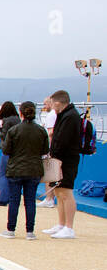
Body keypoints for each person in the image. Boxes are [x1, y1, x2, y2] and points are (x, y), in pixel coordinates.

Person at [0, 100, 47, 240]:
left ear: (20, 113)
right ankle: (30, 231)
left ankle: (11, 229)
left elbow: (7, 150)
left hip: (16, 169)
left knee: (14, 200)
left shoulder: (14, 130)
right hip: (34, 169)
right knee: (30, 200)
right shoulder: (41, 130)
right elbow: (45, 150)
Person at [47, 90, 83, 238]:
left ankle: (69, 227)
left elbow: (63, 140)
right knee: (58, 191)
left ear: (57, 102)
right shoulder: (64, 115)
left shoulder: (71, 116)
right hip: (59, 158)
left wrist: (56, 155)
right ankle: (61, 224)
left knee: (66, 192)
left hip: (66, 160)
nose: (51, 106)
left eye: (52, 103)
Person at [0, 101, 20, 206]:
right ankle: (12, 197)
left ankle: (3, 198)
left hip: (7, 150)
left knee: (3, 174)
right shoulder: (18, 120)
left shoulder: (6, 121)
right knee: (13, 176)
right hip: (17, 152)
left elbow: (4, 135)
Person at [37, 96, 59, 207]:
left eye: (45, 104)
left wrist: (48, 150)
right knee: (54, 174)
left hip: (50, 149)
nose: (44, 107)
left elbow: (50, 133)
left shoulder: (51, 115)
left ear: (51, 103)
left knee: (48, 174)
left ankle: (49, 198)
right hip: (57, 148)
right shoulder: (58, 114)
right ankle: (51, 198)